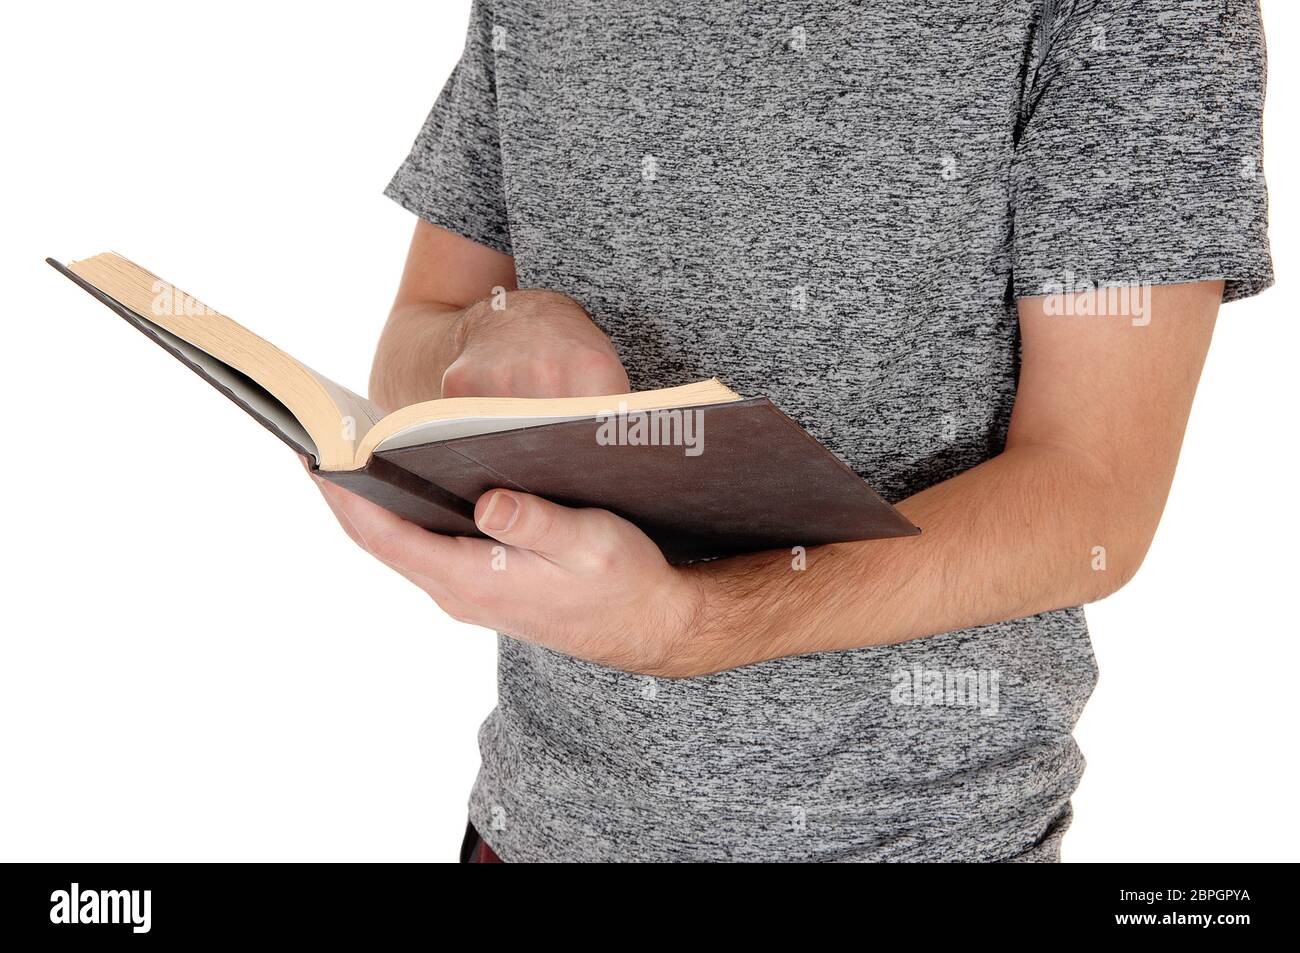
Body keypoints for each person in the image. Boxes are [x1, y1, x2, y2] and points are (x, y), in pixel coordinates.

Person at [310, 0, 1272, 862]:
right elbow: (416, 338)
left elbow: (1092, 495)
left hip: (920, 842)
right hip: (533, 824)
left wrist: (687, 626)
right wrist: (494, 326)